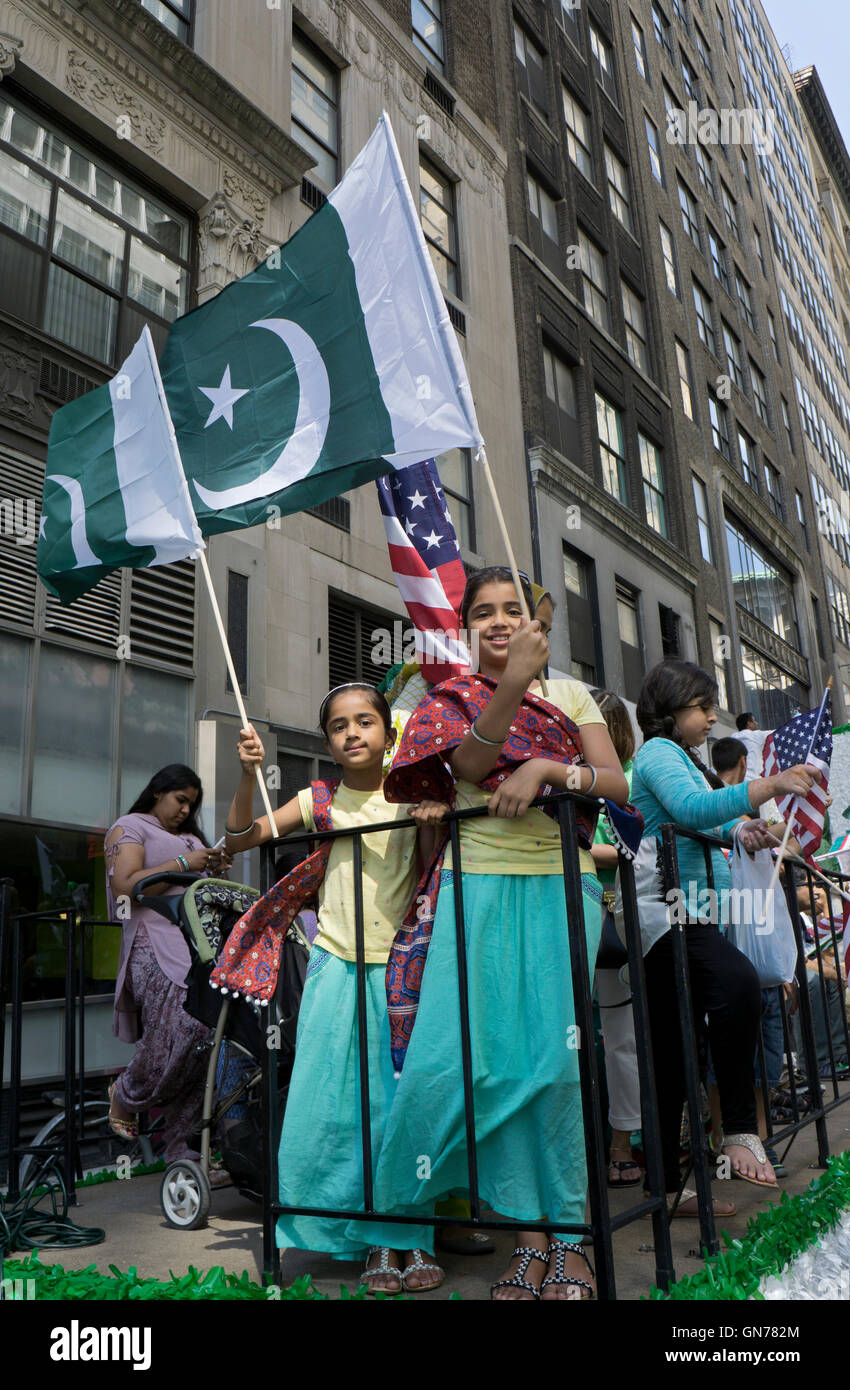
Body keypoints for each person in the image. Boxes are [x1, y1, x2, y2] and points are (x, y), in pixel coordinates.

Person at [373, 565, 631, 1300]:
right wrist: (513, 684)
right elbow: (471, 765)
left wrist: (551, 766)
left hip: (562, 882)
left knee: (551, 1065)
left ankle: (567, 1241)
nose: (495, 620)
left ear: (535, 619)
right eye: (481, 611)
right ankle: (505, 1235)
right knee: (471, 1063)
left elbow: (618, 784)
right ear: (464, 628)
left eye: (510, 609)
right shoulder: (456, 696)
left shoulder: (573, 694)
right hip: (474, 881)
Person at [219, 683, 447, 1295]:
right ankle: (362, 1237)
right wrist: (247, 775)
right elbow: (242, 838)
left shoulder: (414, 795)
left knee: (401, 1107)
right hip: (333, 966)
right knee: (331, 1108)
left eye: (365, 721)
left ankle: (410, 1236)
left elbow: (428, 875)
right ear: (327, 743)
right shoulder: (317, 799)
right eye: (340, 726)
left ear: (388, 732)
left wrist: (429, 820)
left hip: (400, 973)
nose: (353, 733)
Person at [632, 660, 817, 1210]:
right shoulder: (658, 753)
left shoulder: (685, 760)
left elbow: (709, 821)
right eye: (702, 706)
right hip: (669, 915)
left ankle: (666, 1191)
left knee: (672, 1052)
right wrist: (770, 785)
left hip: (693, 913)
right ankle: (738, 1128)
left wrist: (748, 831)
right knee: (737, 985)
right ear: (670, 709)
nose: (713, 716)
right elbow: (690, 810)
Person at [104, 765, 232, 1166]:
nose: (185, 810)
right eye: (180, 799)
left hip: (198, 946)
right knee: (184, 1025)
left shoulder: (191, 838)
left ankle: (185, 1153)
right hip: (153, 942)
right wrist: (183, 863)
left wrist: (210, 869)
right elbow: (125, 889)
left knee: (208, 1039)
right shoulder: (130, 827)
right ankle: (125, 1093)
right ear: (158, 791)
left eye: (191, 804)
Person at [589, 690, 642, 1188]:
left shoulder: (627, 778)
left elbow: (628, 850)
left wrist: (583, 845)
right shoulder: (567, 774)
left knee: (621, 1040)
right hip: (570, 916)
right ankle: (589, 1148)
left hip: (616, 920)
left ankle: (621, 1144)